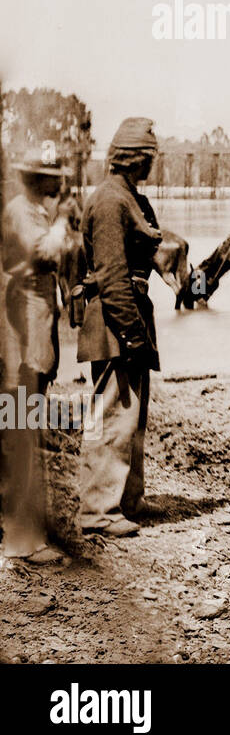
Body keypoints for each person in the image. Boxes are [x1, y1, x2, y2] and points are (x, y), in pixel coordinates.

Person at [76, 117, 164, 538]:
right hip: (116, 317)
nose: (152, 164)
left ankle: (127, 499)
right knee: (112, 414)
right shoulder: (111, 201)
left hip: (128, 313)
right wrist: (132, 334)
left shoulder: (128, 197)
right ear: (137, 158)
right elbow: (111, 274)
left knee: (131, 415)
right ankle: (97, 510)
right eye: (150, 157)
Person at [1, 154, 73, 562]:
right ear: (37, 179)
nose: (59, 184)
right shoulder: (21, 211)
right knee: (20, 429)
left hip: (32, 327)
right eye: (53, 177)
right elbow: (44, 255)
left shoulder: (28, 209)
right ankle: (20, 541)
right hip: (22, 333)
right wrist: (63, 220)